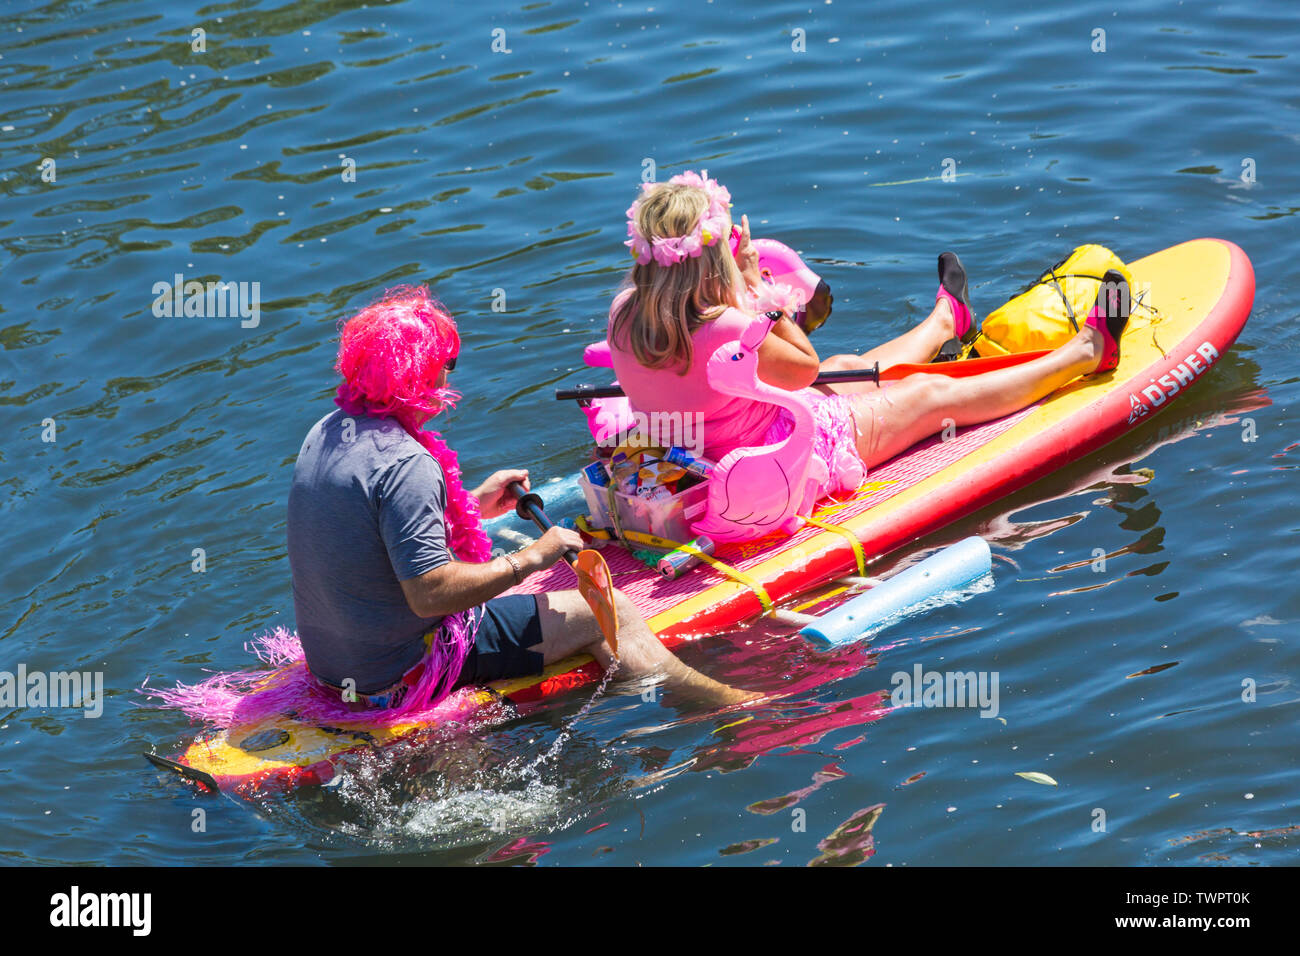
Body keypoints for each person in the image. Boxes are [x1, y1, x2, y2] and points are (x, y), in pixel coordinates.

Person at [286, 285, 753, 713]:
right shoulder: (408, 463)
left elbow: (369, 532)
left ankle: (633, 690)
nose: (449, 376)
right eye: (447, 365)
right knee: (610, 609)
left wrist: (469, 505)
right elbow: (429, 595)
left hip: (336, 663)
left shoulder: (325, 432)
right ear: (421, 373)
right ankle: (720, 701)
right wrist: (533, 557)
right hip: (399, 670)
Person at [609, 170, 1130, 489]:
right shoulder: (727, 327)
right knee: (928, 392)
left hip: (697, 455)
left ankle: (946, 321)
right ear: (712, 257)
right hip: (771, 465)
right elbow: (801, 368)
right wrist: (755, 284)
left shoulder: (625, 314)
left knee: (842, 371)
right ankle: (1087, 352)